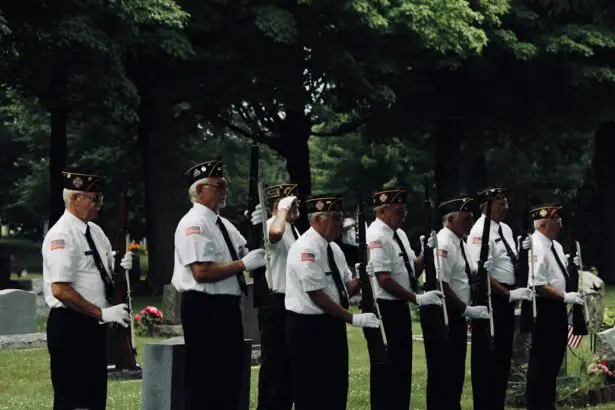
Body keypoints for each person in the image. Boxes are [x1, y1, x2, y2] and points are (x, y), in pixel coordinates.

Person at [171, 159, 266, 410]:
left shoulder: (222, 224)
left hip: (226, 307)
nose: (225, 191)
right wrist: (243, 265)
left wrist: (262, 224)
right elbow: (201, 271)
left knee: (228, 380)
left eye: (225, 186)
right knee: (206, 381)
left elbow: (250, 249)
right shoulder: (194, 224)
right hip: (204, 308)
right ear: (199, 190)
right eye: (218, 186)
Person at [43, 169, 133, 410]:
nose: (99, 205)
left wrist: (121, 264)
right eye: (94, 199)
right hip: (71, 325)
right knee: (73, 400)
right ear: (75, 199)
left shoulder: (95, 231)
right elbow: (60, 289)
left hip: (93, 326)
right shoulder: (61, 235)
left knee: (93, 399)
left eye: (100, 199)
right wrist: (101, 313)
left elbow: (104, 270)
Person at [285, 194, 380, 410]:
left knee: (336, 389)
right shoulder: (305, 249)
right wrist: (353, 318)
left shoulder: (334, 249)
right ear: (316, 220)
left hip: (331, 325)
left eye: (340, 217)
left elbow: (345, 289)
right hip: (308, 328)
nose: (339, 223)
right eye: (334, 218)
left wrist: (362, 276)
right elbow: (316, 295)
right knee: (312, 392)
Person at [365, 187, 443, 410]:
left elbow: (410, 272)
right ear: (383, 211)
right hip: (385, 309)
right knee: (387, 374)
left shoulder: (398, 234)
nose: (403, 215)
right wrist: (416, 298)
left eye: (404, 211)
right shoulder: (377, 236)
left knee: (401, 372)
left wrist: (424, 252)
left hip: (399, 308)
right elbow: (384, 280)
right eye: (398, 211)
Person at [422, 195, 492, 410]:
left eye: (471, 218)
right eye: (465, 219)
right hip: (444, 314)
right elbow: (439, 282)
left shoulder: (459, 242)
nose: (470, 223)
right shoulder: (444, 242)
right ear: (450, 220)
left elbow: (464, 276)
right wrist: (466, 308)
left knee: (455, 373)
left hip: (457, 315)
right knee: (443, 374)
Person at [466, 187, 533, 410]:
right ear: (487, 207)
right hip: (492, 298)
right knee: (488, 358)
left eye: (505, 204)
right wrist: (506, 293)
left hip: (508, 297)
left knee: (503, 356)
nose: (504, 209)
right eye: (499, 205)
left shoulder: (504, 229)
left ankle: (497, 403)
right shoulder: (479, 232)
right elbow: (479, 273)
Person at [525, 203, 584, 410]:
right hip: (544, 308)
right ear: (543, 224)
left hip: (558, 308)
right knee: (542, 360)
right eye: (555, 220)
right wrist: (565, 296)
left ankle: (548, 403)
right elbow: (538, 284)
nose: (560, 223)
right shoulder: (536, 245)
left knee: (554, 361)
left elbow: (559, 274)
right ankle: (536, 404)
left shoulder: (556, 246)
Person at [254, 183, 301, 410]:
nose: (297, 206)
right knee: (274, 365)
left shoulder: (294, 229)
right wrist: (281, 210)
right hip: (275, 301)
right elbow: (274, 235)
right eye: (293, 202)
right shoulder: (273, 224)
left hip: (291, 301)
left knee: (288, 367)